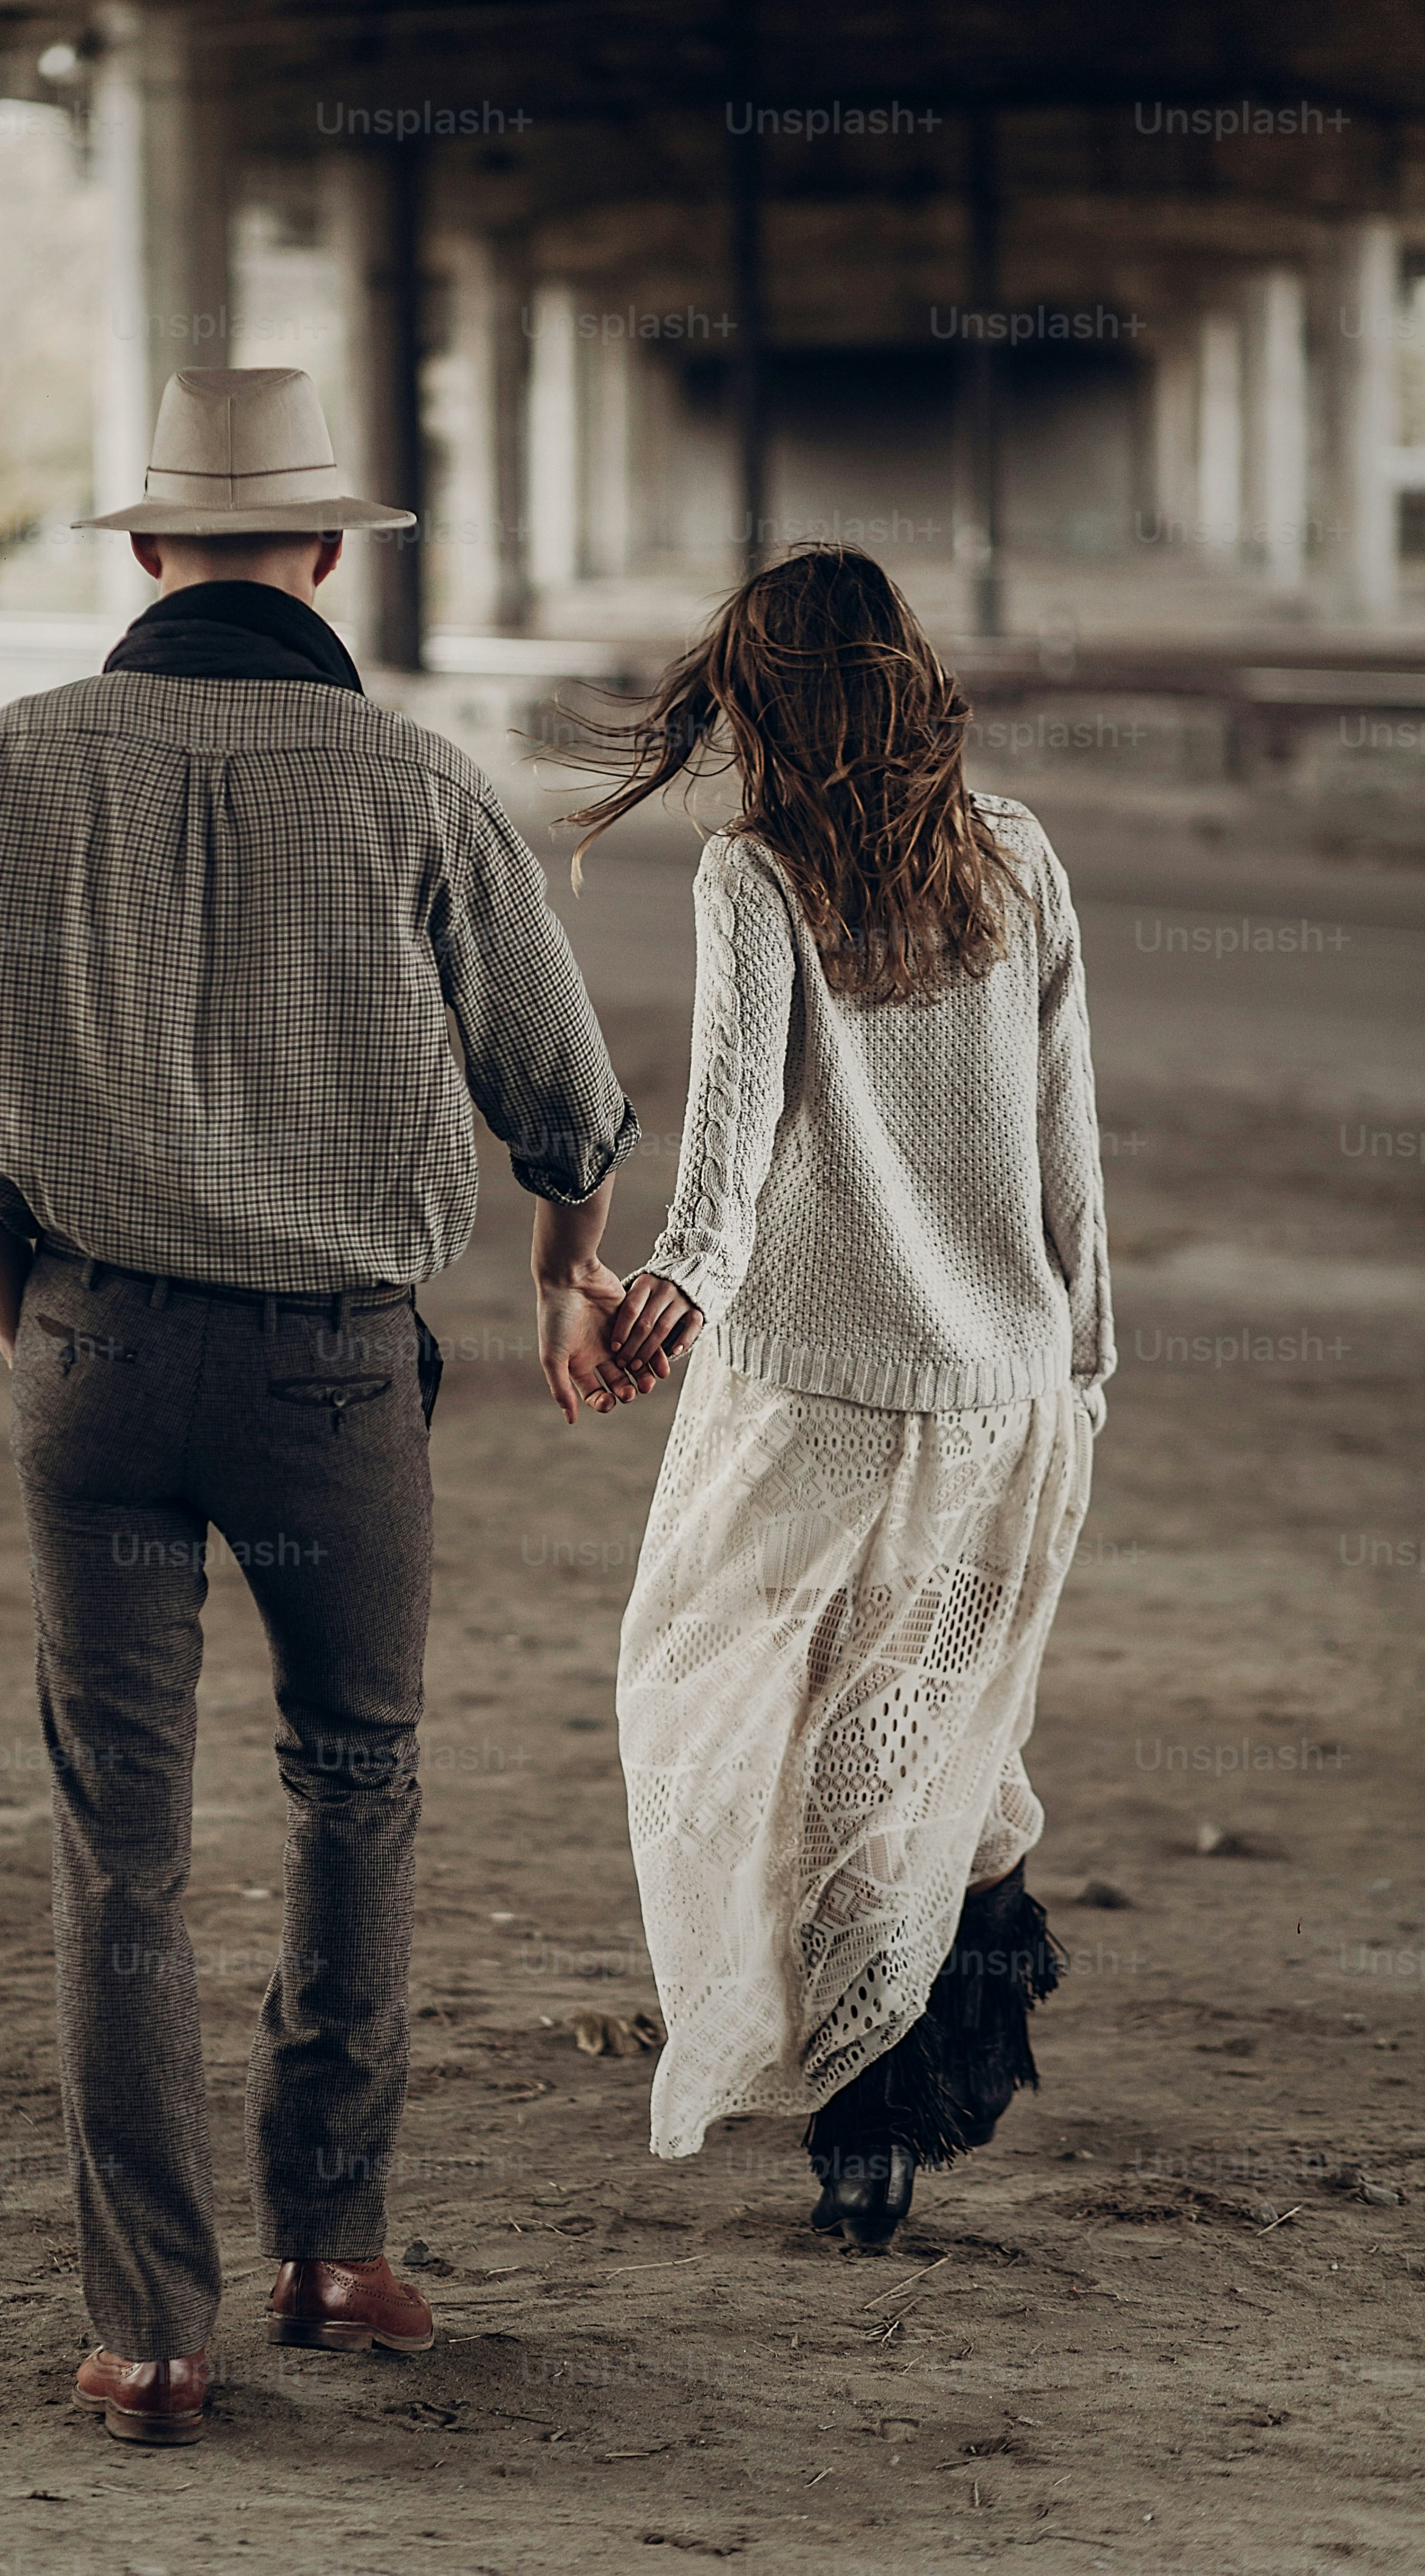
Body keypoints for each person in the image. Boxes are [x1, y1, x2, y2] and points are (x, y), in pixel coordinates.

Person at [0, 367, 681, 2442]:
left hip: (89, 1350)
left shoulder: (11, 764)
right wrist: (556, 1274)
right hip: (335, 1373)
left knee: (118, 1847)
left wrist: (35, 1335)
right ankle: (334, 2249)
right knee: (357, 1782)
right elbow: (568, 1104)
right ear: (325, 556)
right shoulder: (417, 785)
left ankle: (150, 2333)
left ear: (143, 554)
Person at [590, 545, 1114, 2250]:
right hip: (1003, 1388)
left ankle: (860, 2102)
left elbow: (730, 1146)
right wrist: (1084, 1359)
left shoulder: (756, 877)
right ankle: (918, 2085)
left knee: (727, 1698)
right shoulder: (1021, 859)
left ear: (765, 706)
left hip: (811, 1391)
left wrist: (673, 1287)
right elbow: (1067, 1147)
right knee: (948, 1720)